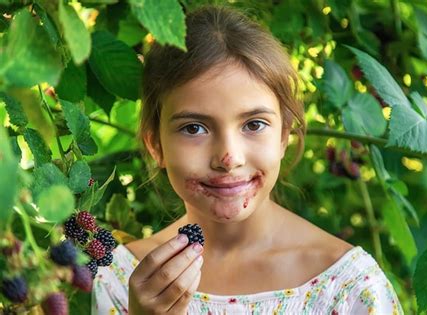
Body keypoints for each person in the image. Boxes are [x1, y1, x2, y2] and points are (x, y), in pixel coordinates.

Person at [92, 4, 403, 315]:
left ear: (284, 135)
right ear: (155, 145)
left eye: (254, 124)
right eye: (194, 128)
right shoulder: (125, 281)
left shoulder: (348, 288)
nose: (229, 158)